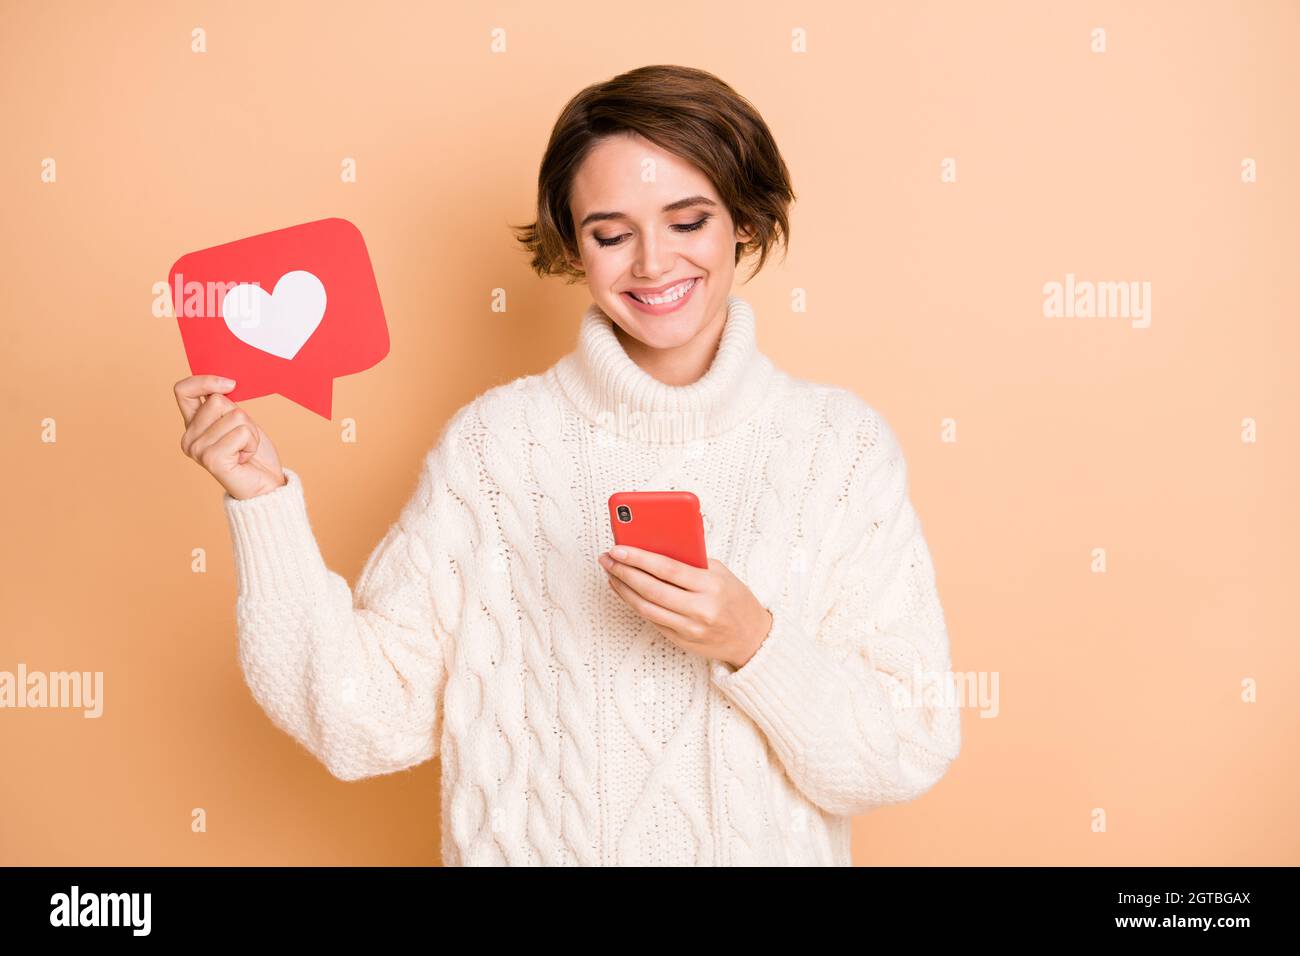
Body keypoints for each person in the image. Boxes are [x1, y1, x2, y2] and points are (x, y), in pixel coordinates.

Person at [172, 64, 961, 866]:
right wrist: (263, 501)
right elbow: (358, 719)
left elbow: (907, 747)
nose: (652, 264)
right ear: (574, 246)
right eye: (612, 234)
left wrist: (752, 641)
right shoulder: (496, 448)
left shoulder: (841, 449)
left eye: (688, 222)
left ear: (746, 224)